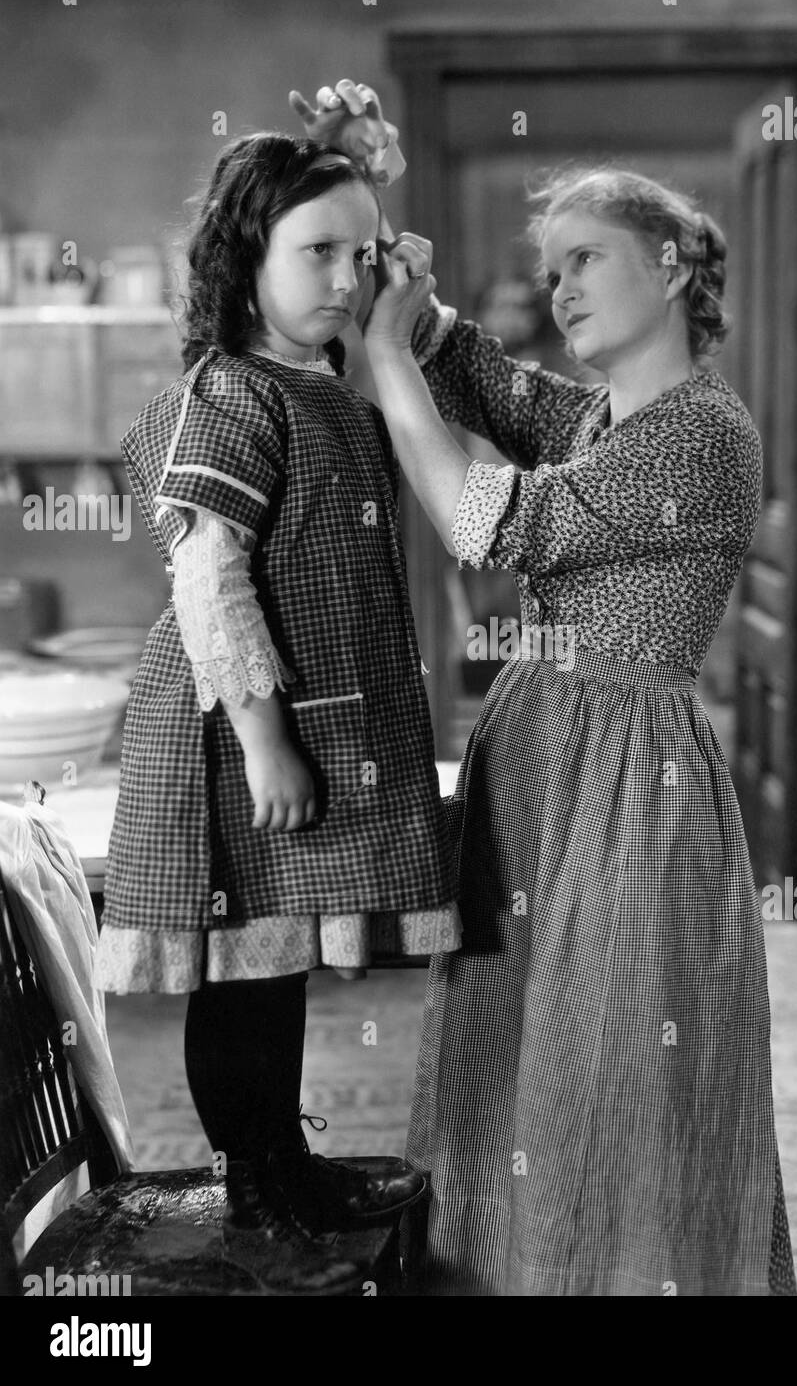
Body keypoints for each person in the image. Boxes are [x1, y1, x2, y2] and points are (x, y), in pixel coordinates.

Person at [298, 78, 797, 1297]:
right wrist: (375, 213)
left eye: (588, 259)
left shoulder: (699, 433)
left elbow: (484, 518)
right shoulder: (603, 421)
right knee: (515, 1053)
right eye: (554, 267)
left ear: (674, 266)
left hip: (634, 776)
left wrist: (379, 360)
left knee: (618, 1055)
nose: (563, 287)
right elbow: (476, 370)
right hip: (546, 752)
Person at [94, 130, 462, 1294]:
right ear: (244, 255)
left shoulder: (322, 386)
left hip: (301, 728)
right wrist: (264, 739)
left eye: (363, 253)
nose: (346, 280)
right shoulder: (235, 395)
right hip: (234, 737)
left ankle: (285, 1167)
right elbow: (207, 575)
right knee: (244, 971)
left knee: (276, 964)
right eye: (317, 252)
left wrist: (384, 260)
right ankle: (252, 1181)